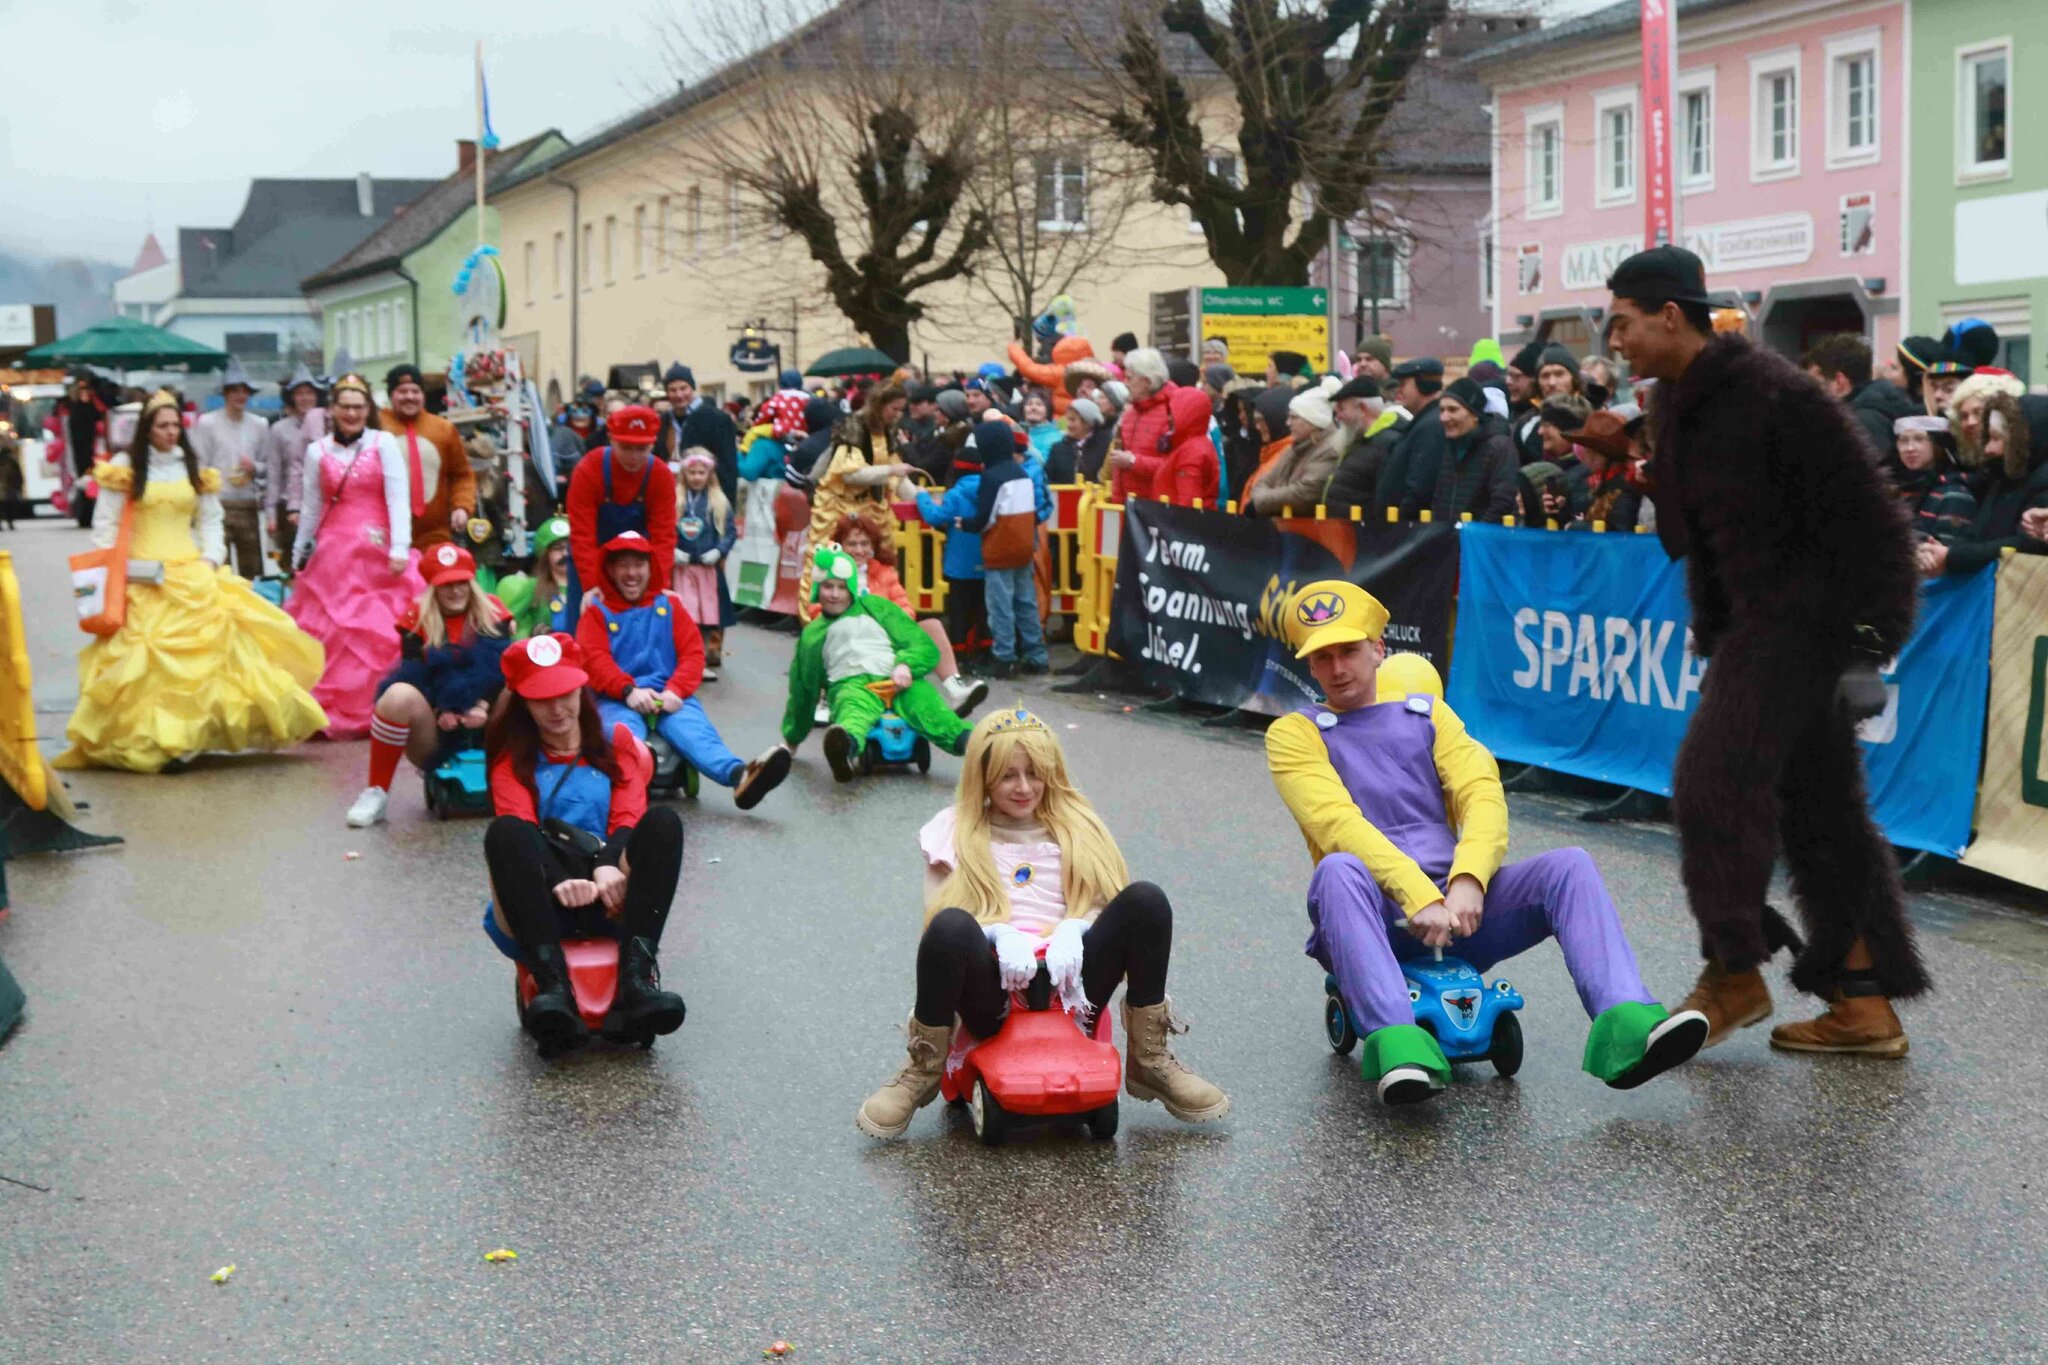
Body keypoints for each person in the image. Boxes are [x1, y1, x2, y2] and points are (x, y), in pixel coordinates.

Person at [1605, 244, 1924, 1056]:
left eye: (1622, 323)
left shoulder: (1781, 395)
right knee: (1821, 812)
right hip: (1749, 626)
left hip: (1803, 625)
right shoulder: (1675, 401)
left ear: (1670, 315)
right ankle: (1863, 1005)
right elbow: (1694, 535)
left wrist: (1867, 647)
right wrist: (1640, 471)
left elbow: (1878, 526)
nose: (1615, 340)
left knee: (1711, 778)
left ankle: (1735, 970)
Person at [1267, 581, 1707, 1104]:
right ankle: (1400, 1049)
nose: (1338, 668)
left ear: (1379, 649)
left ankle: (1628, 1026)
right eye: (1322, 658)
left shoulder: (1428, 714)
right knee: (1337, 868)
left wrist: (1469, 879)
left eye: (1349, 651)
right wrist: (1419, 895)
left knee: (1569, 866)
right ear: (1310, 667)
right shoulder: (1296, 734)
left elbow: (1481, 792)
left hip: (1460, 911)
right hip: (1373, 918)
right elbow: (1337, 822)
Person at [855, 706, 1231, 1138]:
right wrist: (998, 933)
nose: (1024, 787)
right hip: (993, 989)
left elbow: (1103, 903)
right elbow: (938, 917)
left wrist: (1076, 928)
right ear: (983, 777)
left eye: (1035, 773)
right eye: (1008, 775)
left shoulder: (1078, 826)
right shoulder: (954, 831)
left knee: (1147, 901)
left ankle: (1150, 1060)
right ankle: (922, 1068)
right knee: (951, 928)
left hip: (1071, 984)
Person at [56, 390, 326, 772]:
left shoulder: (192, 466)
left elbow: (210, 518)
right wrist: (120, 569)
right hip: (142, 575)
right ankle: (154, 740)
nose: (169, 432)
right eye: (161, 425)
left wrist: (211, 558)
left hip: (190, 569)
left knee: (220, 653)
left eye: (174, 425)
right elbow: (106, 527)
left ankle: (191, 735)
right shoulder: (125, 467)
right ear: (146, 430)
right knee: (146, 661)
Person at [482, 633, 687, 1050]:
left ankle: (637, 980)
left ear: (581, 689)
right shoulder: (510, 758)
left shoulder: (617, 743)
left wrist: (606, 865)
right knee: (504, 833)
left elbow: (628, 816)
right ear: (523, 702)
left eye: (564, 694)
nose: (556, 709)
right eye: (541, 698)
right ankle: (552, 985)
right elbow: (519, 824)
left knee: (663, 822)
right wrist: (560, 879)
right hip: (542, 898)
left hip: (612, 895)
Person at [577, 531, 790, 809]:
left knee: (695, 732)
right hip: (617, 698)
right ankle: (623, 790)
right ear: (611, 569)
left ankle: (740, 776)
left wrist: (674, 691)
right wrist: (627, 690)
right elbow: (593, 659)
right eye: (623, 565)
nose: (631, 573)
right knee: (622, 738)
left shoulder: (670, 605)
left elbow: (692, 654)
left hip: (669, 693)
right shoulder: (597, 612)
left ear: (649, 567)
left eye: (638, 565)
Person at [289, 374, 427, 738]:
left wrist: (399, 547)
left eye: (358, 407)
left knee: (382, 628)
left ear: (369, 410)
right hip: (333, 553)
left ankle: (386, 706)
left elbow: (399, 498)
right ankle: (332, 710)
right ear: (332, 410)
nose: (351, 413)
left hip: (378, 550)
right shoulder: (317, 450)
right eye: (345, 406)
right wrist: (298, 552)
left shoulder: (383, 443)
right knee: (331, 630)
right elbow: (311, 506)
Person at [346, 545, 510, 827]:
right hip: (439, 731)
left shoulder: (494, 612)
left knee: (524, 685)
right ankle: (376, 791)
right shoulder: (416, 620)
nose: (456, 591)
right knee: (397, 696)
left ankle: (543, 783)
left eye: (461, 583)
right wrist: (440, 710)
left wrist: (482, 705)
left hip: (494, 725)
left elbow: (504, 671)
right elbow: (417, 676)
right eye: (447, 585)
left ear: (471, 583)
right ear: (433, 587)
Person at [782, 545, 973, 782]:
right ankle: (845, 748)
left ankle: (975, 746)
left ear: (851, 587)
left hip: (896, 678)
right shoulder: (812, 636)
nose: (834, 594)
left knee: (929, 707)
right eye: (828, 587)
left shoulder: (877, 607)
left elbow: (922, 645)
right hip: (851, 684)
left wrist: (906, 666)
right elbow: (803, 690)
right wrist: (792, 738)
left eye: (841, 588)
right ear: (817, 590)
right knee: (852, 711)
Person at [835, 511, 987, 716]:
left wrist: (891, 626)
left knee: (932, 625)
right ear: (840, 545)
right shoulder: (831, 572)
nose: (859, 550)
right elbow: (817, 611)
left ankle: (955, 689)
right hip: (848, 639)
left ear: (873, 546)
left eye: (864, 543)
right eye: (852, 544)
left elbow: (905, 607)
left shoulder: (884, 572)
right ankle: (825, 699)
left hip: (886, 637)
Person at [798, 382, 914, 613]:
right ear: (880, 405)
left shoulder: (888, 430)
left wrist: (923, 499)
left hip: (871, 507)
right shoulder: (854, 428)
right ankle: (820, 618)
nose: (898, 414)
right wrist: (890, 472)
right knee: (830, 561)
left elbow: (897, 473)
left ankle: (876, 614)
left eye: (902, 409)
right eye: (894, 408)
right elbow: (851, 474)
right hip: (838, 506)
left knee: (879, 562)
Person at [564, 403, 677, 620]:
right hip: (591, 559)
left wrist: (660, 585)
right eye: (626, 447)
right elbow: (582, 534)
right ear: (611, 440)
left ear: (652, 445)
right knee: (585, 628)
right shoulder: (589, 469)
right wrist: (591, 586)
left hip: (638, 563)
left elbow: (663, 537)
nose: (634, 457)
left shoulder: (660, 475)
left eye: (641, 449)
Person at [1925, 392, 2048, 578]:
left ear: (2024, 440)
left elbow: (2023, 545)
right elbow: (1979, 534)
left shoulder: (2041, 481)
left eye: (1996, 438)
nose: (1988, 449)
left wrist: (1953, 556)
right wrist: (1944, 551)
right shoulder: (2003, 480)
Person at [969, 419, 1052, 677]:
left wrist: (966, 524)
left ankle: (1004, 657)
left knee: (1000, 605)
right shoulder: (1023, 472)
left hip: (999, 549)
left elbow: (986, 517)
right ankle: (1036, 655)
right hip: (1024, 546)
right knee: (1026, 602)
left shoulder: (990, 477)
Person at [380, 364, 476, 554]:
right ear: (391, 395)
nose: (409, 397)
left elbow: (462, 475)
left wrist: (462, 507)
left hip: (435, 534)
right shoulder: (376, 426)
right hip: (385, 533)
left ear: (422, 395)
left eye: (415, 391)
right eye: (402, 391)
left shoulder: (443, 429)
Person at [1107, 348, 1219, 506]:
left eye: (1129, 378)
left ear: (1146, 381)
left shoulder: (1176, 413)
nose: (1124, 383)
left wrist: (1134, 462)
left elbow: (1179, 464)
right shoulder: (1130, 413)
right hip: (1131, 511)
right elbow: (1119, 468)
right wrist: (1118, 502)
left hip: (1158, 511)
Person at [189, 359, 269, 578]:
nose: (240, 396)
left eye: (244, 391)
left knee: (251, 568)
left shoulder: (259, 425)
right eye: (234, 390)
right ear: (225, 394)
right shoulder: (207, 423)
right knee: (219, 567)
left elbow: (267, 465)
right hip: (218, 502)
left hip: (247, 503)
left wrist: (255, 467)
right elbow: (199, 462)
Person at [914, 427, 989, 656]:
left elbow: (935, 517)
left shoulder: (955, 494)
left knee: (959, 608)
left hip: (959, 563)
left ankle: (959, 649)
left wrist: (922, 497)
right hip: (985, 560)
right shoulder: (989, 489)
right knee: (982, 608)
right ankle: (983, 647)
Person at [672, 449, 736, 675]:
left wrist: (719, 551)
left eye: (702, 472)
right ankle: (681, 660)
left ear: (710, 474)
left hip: (707, 570)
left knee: (706, 615)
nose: (697, 477)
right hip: (682, 569)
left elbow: (729, 531)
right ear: (684, 473)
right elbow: (661, 527)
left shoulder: (718, 502)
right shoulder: (676, 499)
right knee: (684, 614)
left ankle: (699, 661)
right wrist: (672, 550)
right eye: (692, 472)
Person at [1802, 333, 1916, 457]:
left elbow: (1871, 472)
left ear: (1840, 381)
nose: (1812, 393)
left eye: (1818, 385)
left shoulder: (1863, 421)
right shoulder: (1883, 401)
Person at [1424, 377, 1519, 524]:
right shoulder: (1447, 446)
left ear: (1475, 414)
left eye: (1453, 410)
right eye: (1441, 410)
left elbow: (1502, 502)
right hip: (1447, 539)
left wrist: (1474, 534)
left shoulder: (1499, 447)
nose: (1444, 417)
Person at [1248, 377, 1344, 516]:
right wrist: (1263, 496)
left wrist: (1261, 500)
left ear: (1312, 421)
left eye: (1294, 418)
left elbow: (1304, 494)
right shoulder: (1295, 447)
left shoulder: (1330, 449)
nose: (1288, 423)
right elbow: (1263, 481)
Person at [265, 365, 326, 572]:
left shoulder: (329, 424)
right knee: (291, 563)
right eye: (299, 394)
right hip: (289, 506)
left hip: (322, 503)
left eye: (309, 393)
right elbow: (273, 473)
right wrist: (271, 514)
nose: (305, 398)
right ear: (291, 398)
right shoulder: (279, 429)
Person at [1884, 416, 1977, 548]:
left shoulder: (1954, 493)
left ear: (1936, 444)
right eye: (1903, 440)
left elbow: (1946, 549)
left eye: (1919, 439)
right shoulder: (1893, 490)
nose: (1910, 448)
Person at [653, 364, 739, 502]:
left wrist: (726, 505)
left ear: (692, 388)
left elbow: (727, 466)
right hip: (672, 494)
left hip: (707, 496)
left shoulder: (716, 419)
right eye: (672, 390)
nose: (679, 395)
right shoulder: (663, 421)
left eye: (683, 388)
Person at [1320, 375, 1404, 517]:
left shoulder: (1388, 443)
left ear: (1363, 408)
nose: (1338, 416)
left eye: (1342, 409)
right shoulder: (1359, 439)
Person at [1378, 358, 1445, 518]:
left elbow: (1421, 486)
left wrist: (1402, 520)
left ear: (1423, 385)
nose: (1398, 390)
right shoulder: (1423, 421)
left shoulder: (1431, 426)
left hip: (1407, 529)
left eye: (1404, 384)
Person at [1562, 410, 1644, 530]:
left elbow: (1621, 536)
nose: (1584, 453)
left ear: (1597, 453)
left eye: (1587, 447)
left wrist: (1577, 527)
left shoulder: (1625, 490)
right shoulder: (1601, 483)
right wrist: (1561, 510)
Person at [496, 515, 574, 639]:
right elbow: (509, 617)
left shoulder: (585, 587)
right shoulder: (534, 586)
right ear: (545, 555)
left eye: (569, 548)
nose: (565, 554)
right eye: (557, 549)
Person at [1021, 390, 1061, 461]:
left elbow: (1046, 467)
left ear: (1047, 412)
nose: (1033, 408)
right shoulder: (1015, 431)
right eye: (1029, 404)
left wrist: (1029, 446)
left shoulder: (1057, 437)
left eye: (1039, 404)